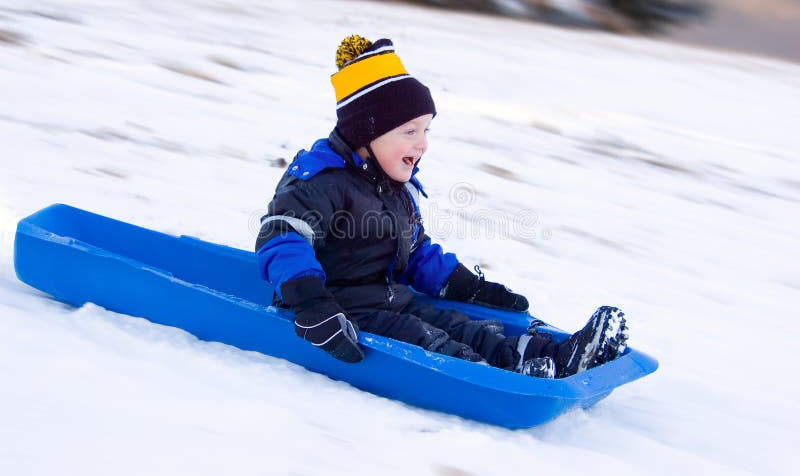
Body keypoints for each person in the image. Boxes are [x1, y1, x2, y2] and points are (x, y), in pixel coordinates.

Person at [255, 35, 628, 378]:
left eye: (426, 130)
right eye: (409, 131)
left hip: (390, 300)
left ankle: (557, 356)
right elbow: (282, 238)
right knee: (427, 339)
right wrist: (312, 305)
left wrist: (471, 287)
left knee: (463, 327)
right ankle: (502, 380)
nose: (422, 144)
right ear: (367, 133)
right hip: (338, 312)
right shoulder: (320, 180)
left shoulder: (395, 187)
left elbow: (415, 254)